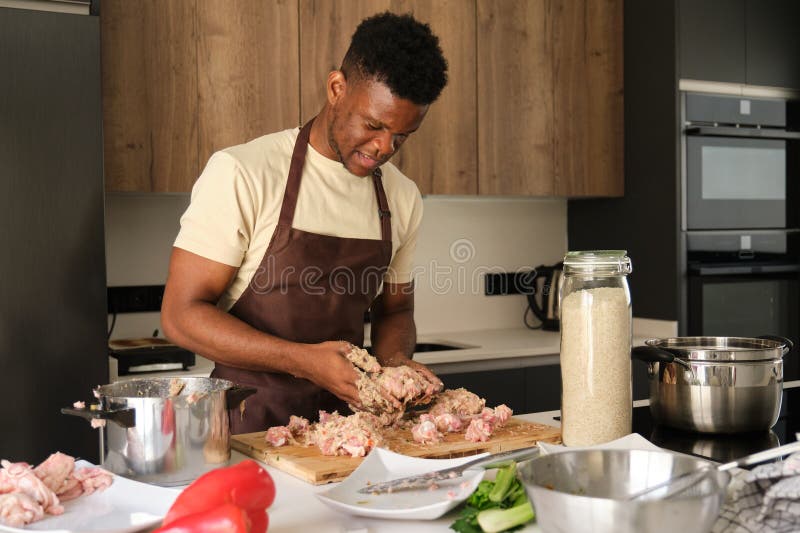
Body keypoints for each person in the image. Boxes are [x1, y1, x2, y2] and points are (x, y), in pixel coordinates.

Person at [161, 12, 448, 433]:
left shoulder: (402, 198)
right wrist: (304, 361)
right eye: (374, 125)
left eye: (402, 137)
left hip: (352, 436)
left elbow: (396, 309)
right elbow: (180, 315)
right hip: (249, 428)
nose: (385, 147)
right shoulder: (244, 173)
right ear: (336, 88)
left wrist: (396, 366)